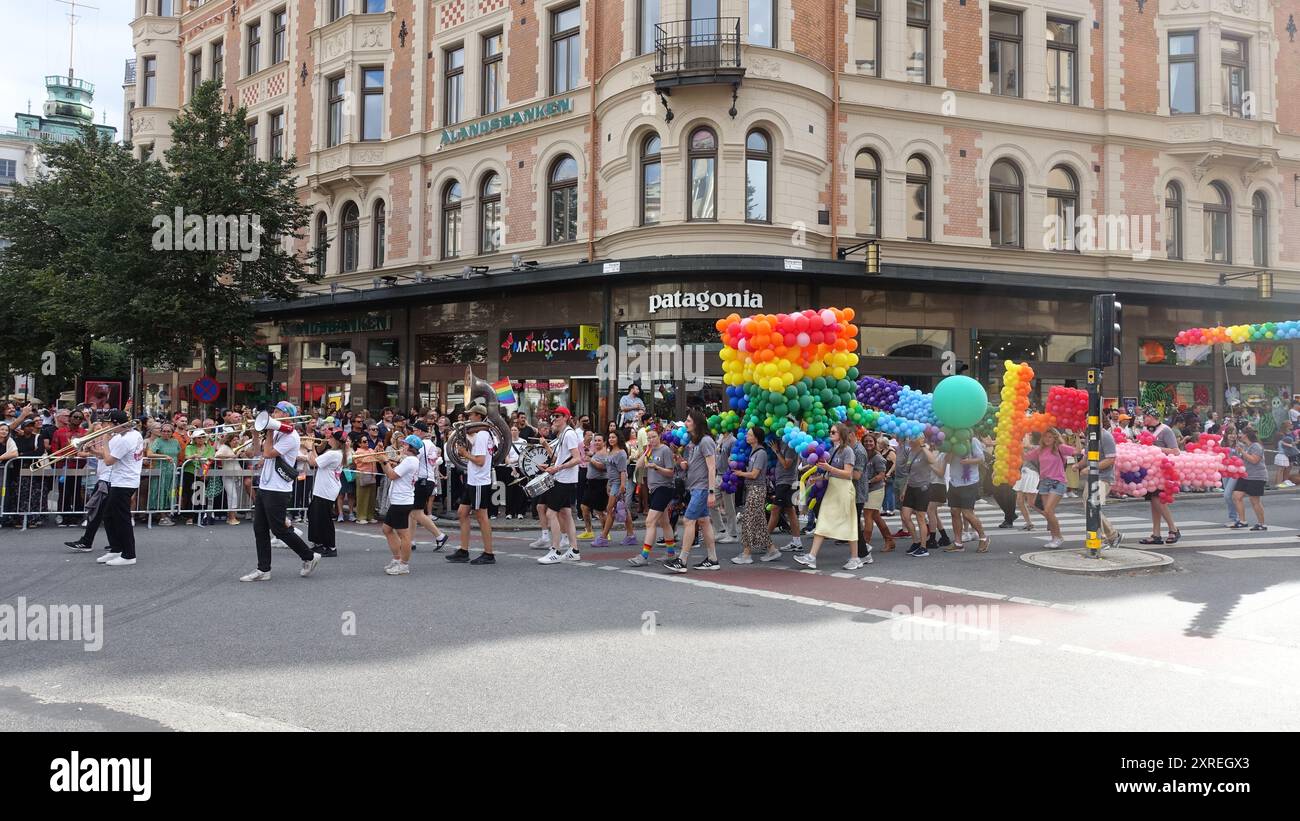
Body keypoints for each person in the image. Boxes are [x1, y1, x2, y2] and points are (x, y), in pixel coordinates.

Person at [239, 402, 321, 582]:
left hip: (278, 489)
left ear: (287, 415)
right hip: (266, 485)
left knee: (280, 530)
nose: (273, 414)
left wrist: (268, 430)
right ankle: (263, 569)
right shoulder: (276, 431)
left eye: (277, 411)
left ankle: (309, 556)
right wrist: (255, 433)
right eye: (274, 411)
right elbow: (257, 452)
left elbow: (268, 453)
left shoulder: (291, 436)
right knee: (259, 528)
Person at [795, 423, 867, 570]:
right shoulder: (834, 450)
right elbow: (833, 472)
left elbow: (848, 474)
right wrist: (820, 478)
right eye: (830, 431)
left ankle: (855, 558)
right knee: (823, 520)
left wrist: (828, 468)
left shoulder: (848, 451)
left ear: (841, 434)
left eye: (833, 431)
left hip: (843, 490)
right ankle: (812, 557)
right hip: (833, 489)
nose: (831, 433)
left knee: (849, 523)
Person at [663, 411, 720, 573]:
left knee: (688, 521)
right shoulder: (694, 443)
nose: (685, 423)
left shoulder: (706, 441)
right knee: (704, 522)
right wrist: (681, 461)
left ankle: (682, 560)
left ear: (696, 423)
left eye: (688, 421)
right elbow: (693, 465)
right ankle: (713, 558)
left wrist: (711, 492)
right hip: (695, 487)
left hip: (702, 489)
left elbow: (711, 467)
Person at [87, 411, 144, 567]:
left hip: (124, 482)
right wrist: (94, 451)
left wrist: (104, 441)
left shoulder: (125, 440)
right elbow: (107, 455)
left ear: (116, 423)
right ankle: (116, 548)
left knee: (121, 518)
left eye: (110, 424)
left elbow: (109, 461)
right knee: (109, 515)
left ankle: (129, 554)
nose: (108, 427)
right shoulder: (131, 435)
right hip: (121, 480)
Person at [445, 403, 496, 565]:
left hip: (479, 481)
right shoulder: (483, 434)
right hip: (473, 480)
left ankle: (489, 553)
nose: (468, 418)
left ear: (479, 417)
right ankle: (463, 550)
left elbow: (480, 461)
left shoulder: (482, 434)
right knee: (462, 512)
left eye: (471, 415)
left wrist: (465, 453)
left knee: (481, 516)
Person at [537, 407, 584, 564]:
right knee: (566, 514)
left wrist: (557, 468)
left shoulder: (569, 434)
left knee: (551, 513)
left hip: (564, 480)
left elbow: (577, 458)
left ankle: (555, 550)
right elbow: (561, 457)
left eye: (557, 416)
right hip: (564, 478)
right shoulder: (563, 434)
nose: (554, 419)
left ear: (565, 417)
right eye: (553, 416)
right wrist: (550, 464)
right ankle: (574, 550)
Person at [729, 426, 780, 564]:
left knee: (748, 521)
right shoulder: (753, 451)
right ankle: (772, 549)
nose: (747, 436)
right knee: (759, 522)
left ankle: (747, 553)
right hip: (752, 489)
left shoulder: (760, 453)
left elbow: (754, 474)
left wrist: (740, 474)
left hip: (757, 489)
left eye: (750, 434)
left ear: (756, 438)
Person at [63, 419, 115, 553]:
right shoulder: (105, 438)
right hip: (104, 478)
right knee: (105, 513)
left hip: (108, 479)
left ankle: (87, 541)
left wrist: (93, 448)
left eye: (104, 425)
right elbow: (101, 456)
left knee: (97, 512)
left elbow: (107, 456)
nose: (103, 428)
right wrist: (91, 448)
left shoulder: (113, 439)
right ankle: (114, 542)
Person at [630, 427, 679, 566]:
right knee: (664, 522)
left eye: (653, 437)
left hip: (664, 488)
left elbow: (671, 472)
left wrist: (656, 467)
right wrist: (646, 451)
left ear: (659, 437)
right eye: (649, 438)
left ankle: (644, 555)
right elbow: (639, 465)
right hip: (654, 490)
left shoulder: (665, 450)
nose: (651, 440)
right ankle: (671, 553)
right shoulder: (650, 451)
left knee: (650, 522)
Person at [379, 435, 423, 575]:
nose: (402, 446)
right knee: (387, 529)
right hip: (399, 500)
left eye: (405, 445)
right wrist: (383, 460)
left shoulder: (410, 460)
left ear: (410, 447)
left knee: (404, 534)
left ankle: (404, 564)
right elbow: (391, 472)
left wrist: (384, 461)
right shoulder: (409, 460)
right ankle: (397, 559)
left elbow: (391, 475)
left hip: (402, 501)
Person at [1025, 428, 1075, 549]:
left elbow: (1076, 451)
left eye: (1050, 437)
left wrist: (1077, 437)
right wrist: (1017, 444)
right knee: (1049, 513)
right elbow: (1025, 457)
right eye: (1045, 437)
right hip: (1044, 483)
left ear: (1055, 438)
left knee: (1048, 510)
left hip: (1058, 482)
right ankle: (1054, 538)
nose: (1047, 439)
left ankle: (1058, 537)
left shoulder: (1060, 448)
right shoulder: (1040, 449)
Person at [1139, 408, 1181, 545]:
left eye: (1145, 417)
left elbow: (1175, 451)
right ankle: (1156, 534)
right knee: (1153, 501)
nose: (1143, 419)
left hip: (1162, 471)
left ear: (1151, 417)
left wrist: (1155, 449)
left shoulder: (1165, 430)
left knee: (1159, 500)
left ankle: (1173, 529)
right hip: (1151, 471)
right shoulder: (1148, 430)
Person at [898, 433, 942, 557]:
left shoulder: (925, 450)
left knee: (920, 517)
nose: (909, 440)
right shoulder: (911, 452)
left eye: (912, 437)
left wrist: (923, 445)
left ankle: (923, 547)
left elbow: (933, 460)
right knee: (905, 515)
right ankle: (916, 542)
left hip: (923, 488)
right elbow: (910, 473)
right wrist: (905, 489)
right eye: (909, 438)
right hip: (911, 487)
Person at [305, 430, 347, 558]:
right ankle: (319, 543)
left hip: (326, 489)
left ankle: (330, 546)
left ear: (336, 440)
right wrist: (312, 447)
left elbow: (313, 462)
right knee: (314, 514)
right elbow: (317, 459)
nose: (328, 439)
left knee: (324, 519)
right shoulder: (338, 453)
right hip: (324, 488)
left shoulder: (333, 454)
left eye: (331, 437)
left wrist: (309, 448)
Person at [944, 437, 990, 552]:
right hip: (954, 481)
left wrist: (969, 461)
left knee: (967, 513)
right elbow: (947, 460)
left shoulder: (972, 440)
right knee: (954, 512)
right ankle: (958, 543)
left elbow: (981, 459)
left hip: (969, 482)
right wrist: (951, 450)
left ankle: (984, 538)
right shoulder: (951, 441)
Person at [409, 422, 449, 551]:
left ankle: (439, 535)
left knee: (417, 512)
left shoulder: (421, 444)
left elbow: (413, 459)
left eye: (414, 430)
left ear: (420, 431)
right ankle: (410, 540)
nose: (413, 432)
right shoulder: (431, 444)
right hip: (427, 480)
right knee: (413, 512)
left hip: (422, 480)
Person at [767, 436, 803, 551]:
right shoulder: (780, 442)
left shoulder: (790, 444)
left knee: (775, 509)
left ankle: (764, 539)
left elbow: (787, 464)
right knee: (790, 511)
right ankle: (797, 542)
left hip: (787, 482)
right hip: (785, 481)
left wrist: (776, 451)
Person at [1232, 429, 1268, 531]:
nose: (1239, 435)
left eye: (1241, 433)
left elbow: (1254, 460)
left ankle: (1262, 523)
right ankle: (1242, 521)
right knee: (1237, 495)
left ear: (1246, 435)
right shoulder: (1247, 446)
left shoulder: (1256, 446)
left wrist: (1242, 452)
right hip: (1245, 475)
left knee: (1254, 500)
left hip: (1256, 476)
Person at [147, 423, 181, 526]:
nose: (166, 433)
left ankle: (167, 514)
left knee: (170, 492)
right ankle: (162, 517)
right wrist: (164, 456)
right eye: (164, 431)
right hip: (161, 471)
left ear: (172, 432)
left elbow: (178, 454)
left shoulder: (175, 442)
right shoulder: (158, 441)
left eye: (168, 431)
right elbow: (149, 454)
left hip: (172, 472)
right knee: (161, 492)